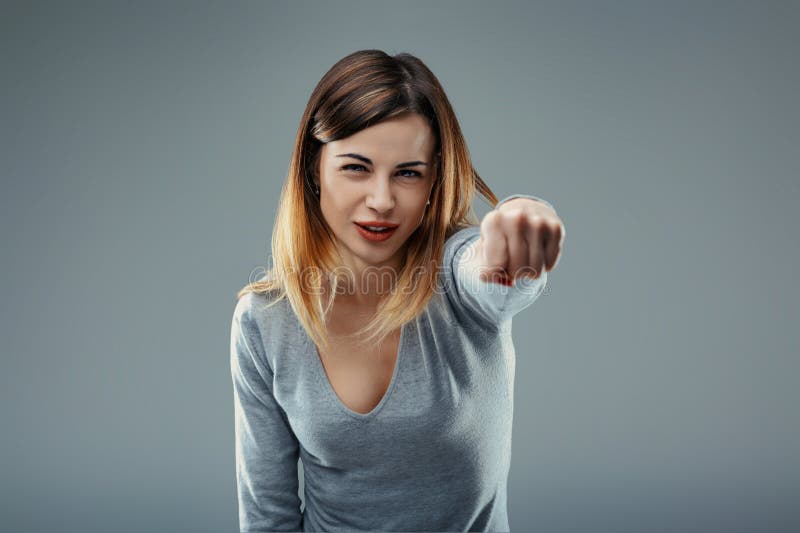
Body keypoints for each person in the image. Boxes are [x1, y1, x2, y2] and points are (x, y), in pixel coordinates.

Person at [229, 49, 565, 533]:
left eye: (408, 173)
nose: (382, 200)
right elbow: (268, 517)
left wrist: (522, 222)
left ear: (433, 181)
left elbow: (491, 272)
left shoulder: (456, 274)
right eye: (356, 168)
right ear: (313, 171)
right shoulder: (263, 320)